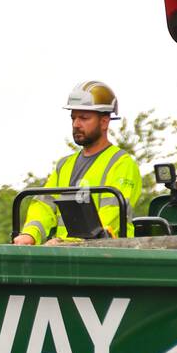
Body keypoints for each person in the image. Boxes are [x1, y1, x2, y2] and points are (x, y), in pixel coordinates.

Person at [14, 81, 142, 245]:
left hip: (109, 259)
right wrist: (30, 235)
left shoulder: (121, 163)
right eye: (73, 118)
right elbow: (44, 205)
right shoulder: (64, 165)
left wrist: (68, 243)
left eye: (84, 118)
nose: (76, 124)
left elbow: (111, 217)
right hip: (66, 257)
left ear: (104, 122)